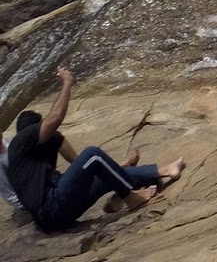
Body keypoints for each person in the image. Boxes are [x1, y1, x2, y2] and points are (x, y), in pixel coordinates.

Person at [4, 67, 184, 233]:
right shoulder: (20, 143)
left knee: (100, 172)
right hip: (51, 210)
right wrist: (67, 83)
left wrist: (87, 170)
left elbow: (70, 155)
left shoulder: (38, 146)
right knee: (92, 154)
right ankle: (130, 197)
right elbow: (55, 118)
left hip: (59, 205)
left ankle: (162, 172)